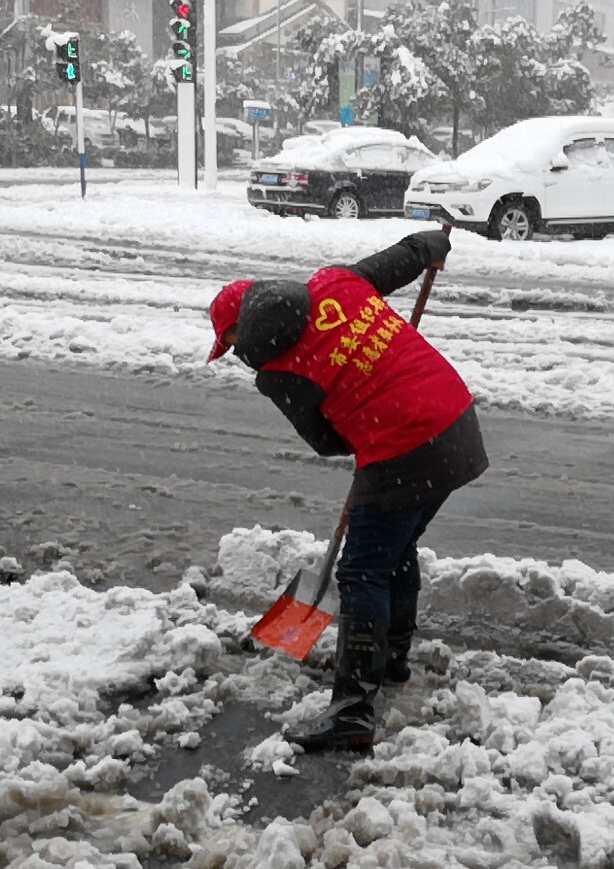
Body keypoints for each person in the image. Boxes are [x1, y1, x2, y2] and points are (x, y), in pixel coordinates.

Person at [208, 230, 486, 753]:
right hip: (455, 424)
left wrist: (354, 400)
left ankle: (352, 710)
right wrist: (428, 245)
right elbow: (401, 260)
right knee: (392, 550)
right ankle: (390, 659)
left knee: (360, 570)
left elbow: (327, 442)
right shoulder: (336, 282)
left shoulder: (278, 373)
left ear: (241, 338)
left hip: (402, 445)